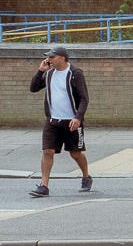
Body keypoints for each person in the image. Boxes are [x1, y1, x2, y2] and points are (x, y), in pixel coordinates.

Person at [29, 45, 93, 195]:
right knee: (47, 151)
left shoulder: (75, 74)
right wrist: (40, 71)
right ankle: (44, 186)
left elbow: (84, 98)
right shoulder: (50, 73)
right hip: (53, 121)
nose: (48, 59)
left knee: (75, 153)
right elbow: (33, 88)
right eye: (48, 57)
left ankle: (86, 176)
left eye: (52, 57)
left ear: (62, 58)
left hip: (71, 121)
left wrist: (78, 118)